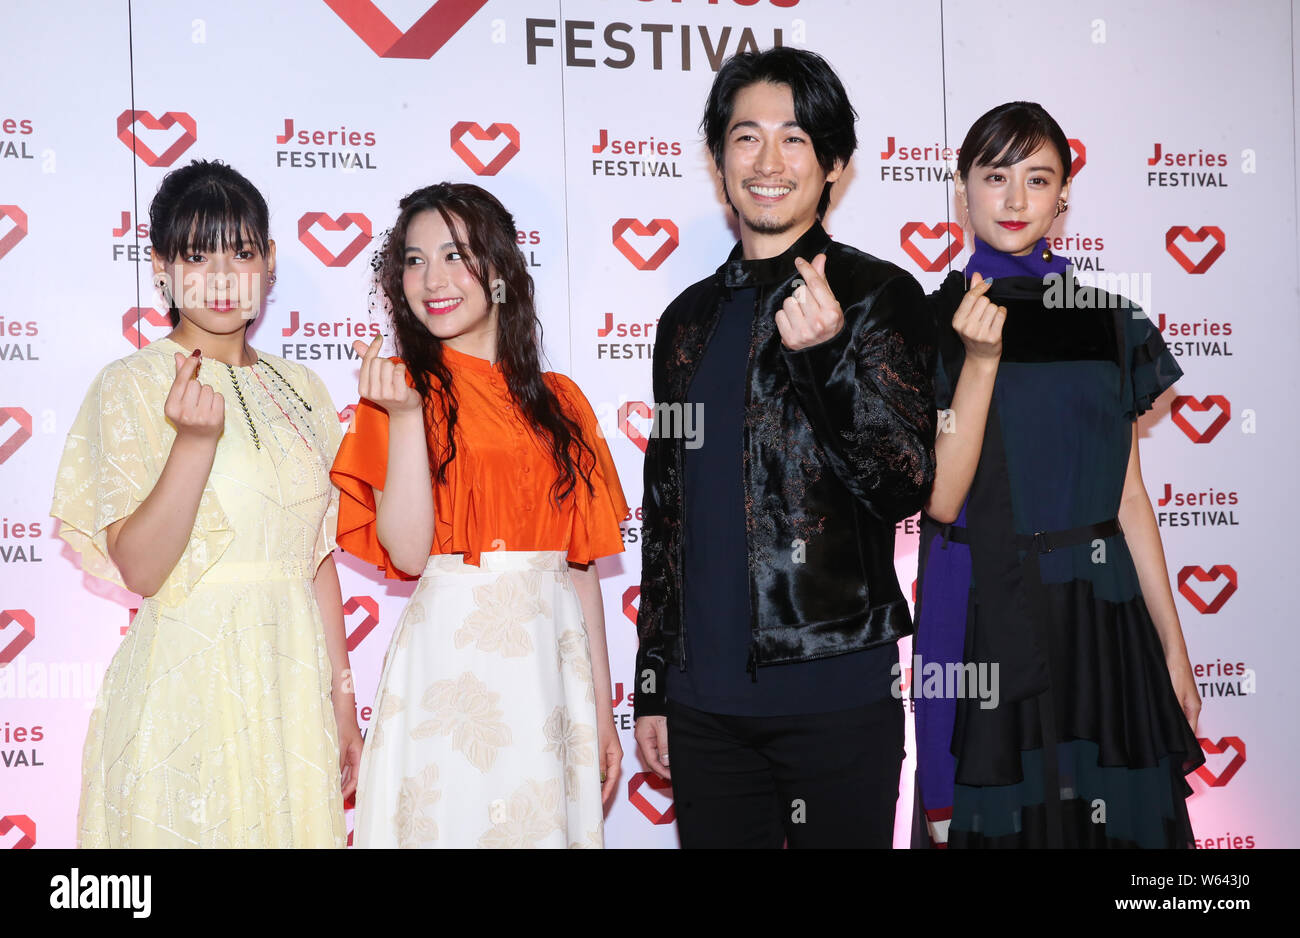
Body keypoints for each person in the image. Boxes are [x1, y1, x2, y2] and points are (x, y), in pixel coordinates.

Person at [631, 47, 937, 848]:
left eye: (795, 139)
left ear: (834, 162)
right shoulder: (685, 321)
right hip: (704, 710)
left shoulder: (880, 297)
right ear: (719, 158)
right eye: (746, 137)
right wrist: (655, 684)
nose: (768, 162)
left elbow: (903, 484)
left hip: (835, 695)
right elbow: (666, 512)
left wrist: (827, 360)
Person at [911, 101, 1203, 848]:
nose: (1014, 200)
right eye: (995, 176)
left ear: (1063, 195)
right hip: (986, 612)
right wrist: (978, 360)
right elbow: (942, 500)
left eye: (1037, 179)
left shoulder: (1113, 321)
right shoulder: (925, 324)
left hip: (1101, 620)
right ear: (962, 189)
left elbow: (1130, 496)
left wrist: (1173, 646)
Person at [50, 159, 361, 848]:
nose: (222, 277)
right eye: (197, 255)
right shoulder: (129, 386)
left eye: (242, 252)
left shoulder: (304, 388)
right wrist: (192, 444)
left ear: (270, 261)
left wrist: (343, 706)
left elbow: (318, 560)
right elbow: (141, 571)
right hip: (186, 690)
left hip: (291, 691)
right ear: (160, 267)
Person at [331, 182, 627, 849]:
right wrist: (407, 418)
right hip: (450, 669)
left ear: (499, 271)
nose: (431, 278)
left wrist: (601, 711)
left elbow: (578, 567)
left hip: (549, 670)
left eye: (455, 255)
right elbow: (408, 555)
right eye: (413, 259)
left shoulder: (565, 403)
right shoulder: (400, 390)